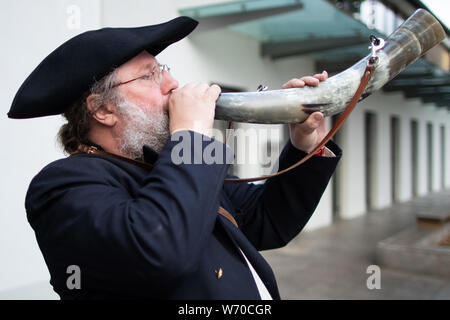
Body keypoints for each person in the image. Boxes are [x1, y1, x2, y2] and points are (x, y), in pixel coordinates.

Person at [8, 16, 341, 299]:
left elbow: (267, 221)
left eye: (162, 69)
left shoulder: (167, 164)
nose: (173, 84)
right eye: (150, 75)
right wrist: (191, 135)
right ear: (103, 110)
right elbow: (158, 254)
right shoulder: (62, 187)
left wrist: (305, 142)